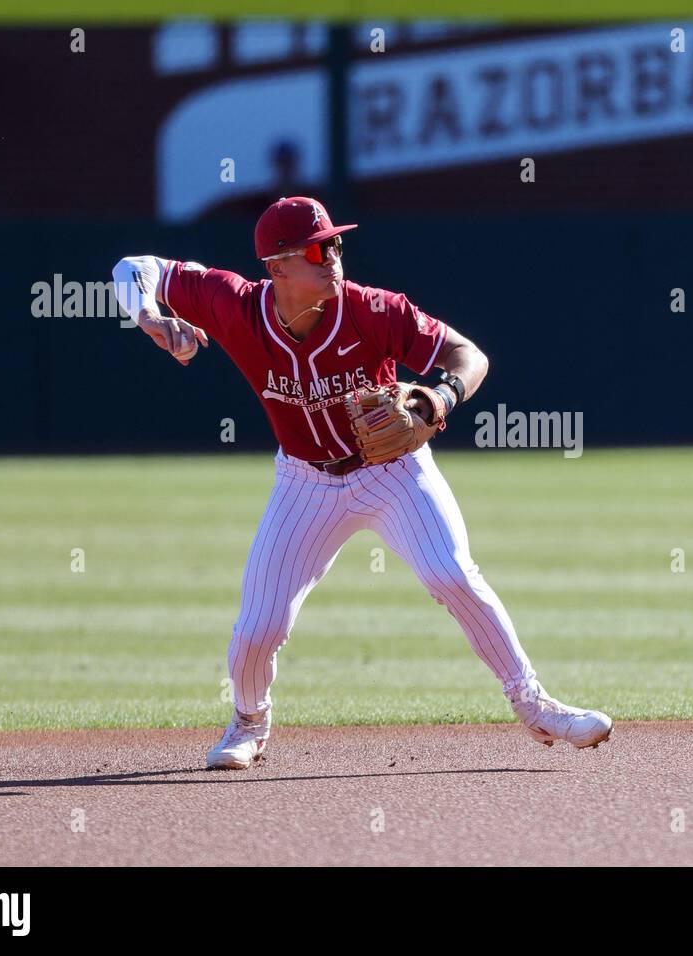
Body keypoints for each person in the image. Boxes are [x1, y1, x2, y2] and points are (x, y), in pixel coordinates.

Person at [111, 196, 612, 769]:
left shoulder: (372, 309)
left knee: (451, 574)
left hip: (392, 472)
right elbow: (133, 268)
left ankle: (535, 704)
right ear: (277, 267)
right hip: (305, 483)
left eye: (337, 243)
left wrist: (439, 396)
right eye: (319, 248)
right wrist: (150, 316)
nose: (334, 256)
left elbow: (467, 354)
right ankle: (249, 720)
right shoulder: (234, 305)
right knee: (259, 626)